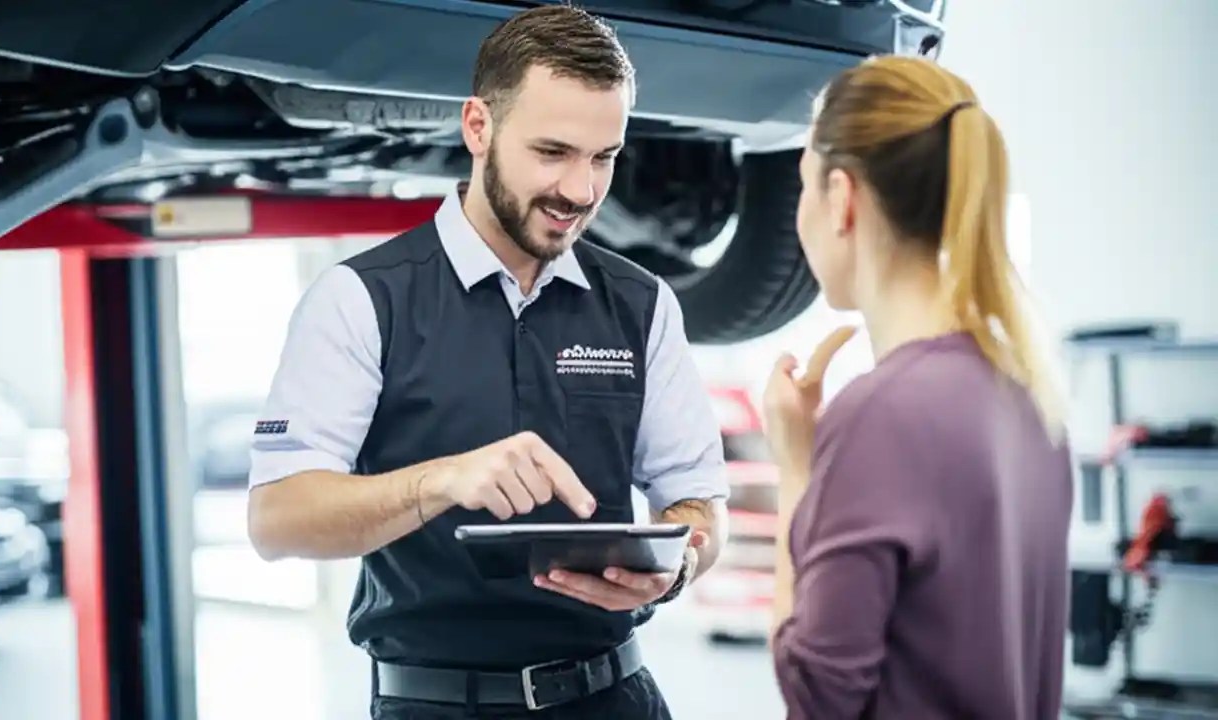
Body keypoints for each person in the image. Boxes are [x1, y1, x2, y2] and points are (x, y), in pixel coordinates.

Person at [245, 5, 729, 719]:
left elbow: (698, 502)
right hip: (438, 705)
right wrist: (440, 482)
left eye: (603, 157)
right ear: (479, 127)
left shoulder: (643, 303)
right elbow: (276, 519)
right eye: (553, 151)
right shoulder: (361, 299)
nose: (581, 190)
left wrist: (680, 562)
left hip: (616, 699)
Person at [762, 55, 1074, 719]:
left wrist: (796, 471)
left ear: (842, 199)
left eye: (802, 188)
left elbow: (816, 696)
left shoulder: (881, 414)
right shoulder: (1030, 395)